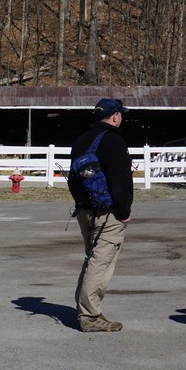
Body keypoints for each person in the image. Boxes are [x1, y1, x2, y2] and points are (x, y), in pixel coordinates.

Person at [68, 97, 134, 332]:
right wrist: (124, 212)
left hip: (84, 210)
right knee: (101, 263)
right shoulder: (113, 141)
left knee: (92, 259)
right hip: (108, 214)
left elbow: (72, 180)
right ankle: (90, 316)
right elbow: (119, 181)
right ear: (115, 116)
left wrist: (81, 205)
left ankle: (86, 309)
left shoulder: (80, 141)